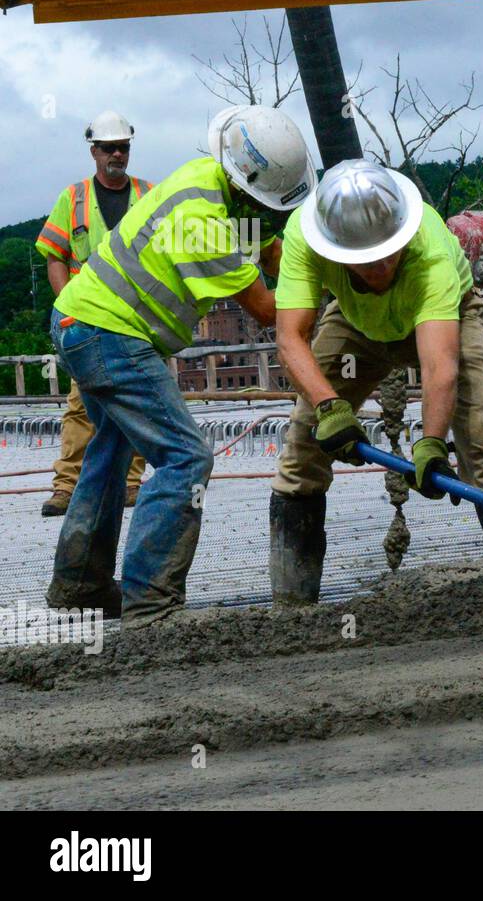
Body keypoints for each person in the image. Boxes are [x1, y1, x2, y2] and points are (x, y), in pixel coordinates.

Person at [44, 105, 313, 626]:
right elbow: (267, 312)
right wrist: (328, 306)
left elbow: (271, 251)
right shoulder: (204, 223)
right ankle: (150, 604)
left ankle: (79, 584)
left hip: (81, 324)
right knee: (186, 457)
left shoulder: (207, 179)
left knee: (109, 451)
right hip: (108, 335)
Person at [269, 159, 483, 603]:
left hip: (446, 315)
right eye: (365, 261)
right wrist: (328, 407)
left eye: (386, 255)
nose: (378, 269)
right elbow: (289, 338)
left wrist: (432, 443)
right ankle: (293, 609)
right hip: (356, 324)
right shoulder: (305, 235)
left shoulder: (429, 250)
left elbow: (439, 367)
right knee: (304, 443)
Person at [34, 111, 151, 516]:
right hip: (87, 318)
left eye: (123, 146)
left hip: (135, 317)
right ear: (94, 151)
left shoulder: (149, 195)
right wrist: (68, 310)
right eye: (109, 147)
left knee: (137, 400)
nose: (117, 153)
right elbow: (55, 257)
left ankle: (131, 483)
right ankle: (67, 487)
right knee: (82, 403)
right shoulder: (74, 198)